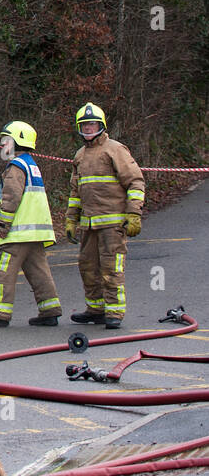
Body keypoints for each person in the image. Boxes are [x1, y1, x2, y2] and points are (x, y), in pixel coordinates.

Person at [64, 103, 145, 329]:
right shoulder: (79, 156)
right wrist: (71, 219)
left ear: (101, 126)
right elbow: (75, 192)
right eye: (85, 125)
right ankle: (96, 310)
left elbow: (136, 182)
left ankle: (114, 313)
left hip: (112, 223)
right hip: (88, 224)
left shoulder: (115, 149)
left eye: (93, 124)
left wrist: (133, 214)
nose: (89, 128)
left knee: (111, 268)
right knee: (88, 267)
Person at [0, 121, 62, 328]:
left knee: (3, 270)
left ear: (17, 142)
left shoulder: (15, 167)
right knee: (39, 271)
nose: (2, 145)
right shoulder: (31, 164)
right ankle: (50, 311)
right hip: (36, 233)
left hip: (18, 232)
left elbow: (11, 196)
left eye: (6, 141)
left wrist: (4, 224)